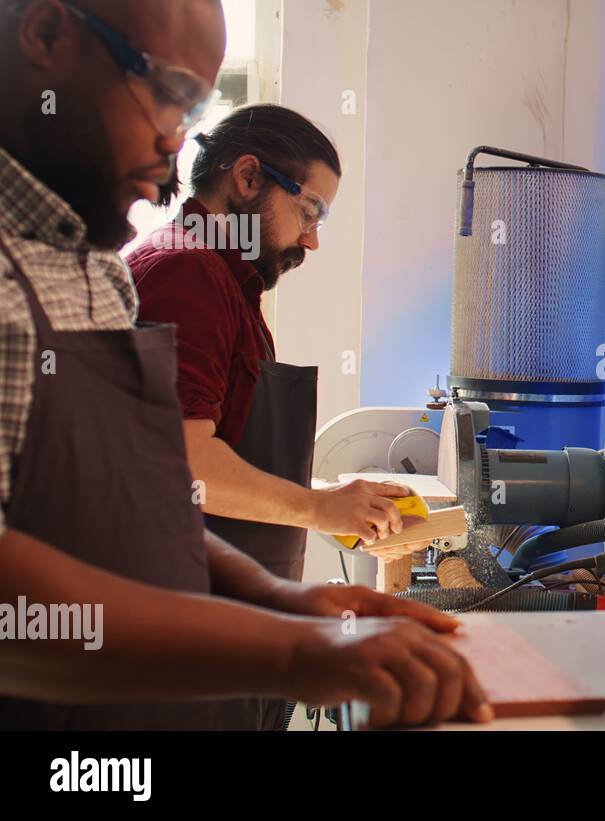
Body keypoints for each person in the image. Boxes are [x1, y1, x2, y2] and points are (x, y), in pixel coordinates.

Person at [0, 0, 491, 730]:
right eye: (168, 95)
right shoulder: (180, 271)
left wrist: (287, 601)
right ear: (45, 35)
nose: (174, 146)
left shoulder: (93, 273)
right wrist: (291, 647)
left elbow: (147, 504)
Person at [128, 104, 419, 589]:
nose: (311, 241)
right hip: (177, 603)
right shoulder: (185, 272)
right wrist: (317, 508)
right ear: (247, 178)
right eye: (310, 212)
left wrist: (342, 504)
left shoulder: (226, 282)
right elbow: (186, 463)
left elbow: (227, 453)